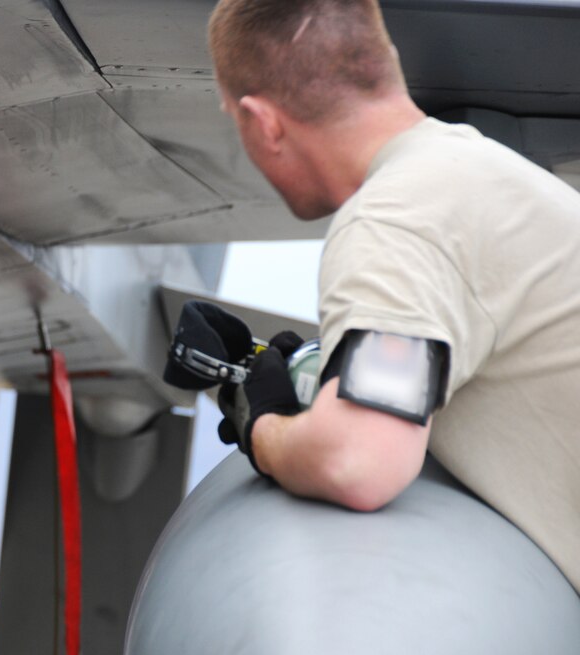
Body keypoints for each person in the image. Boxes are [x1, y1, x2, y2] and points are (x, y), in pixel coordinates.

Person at [207, 0, 580, 591]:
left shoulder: (394, 220)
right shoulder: (484, 174)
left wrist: (266, 428)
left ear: (263, 122)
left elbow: (358, 462)